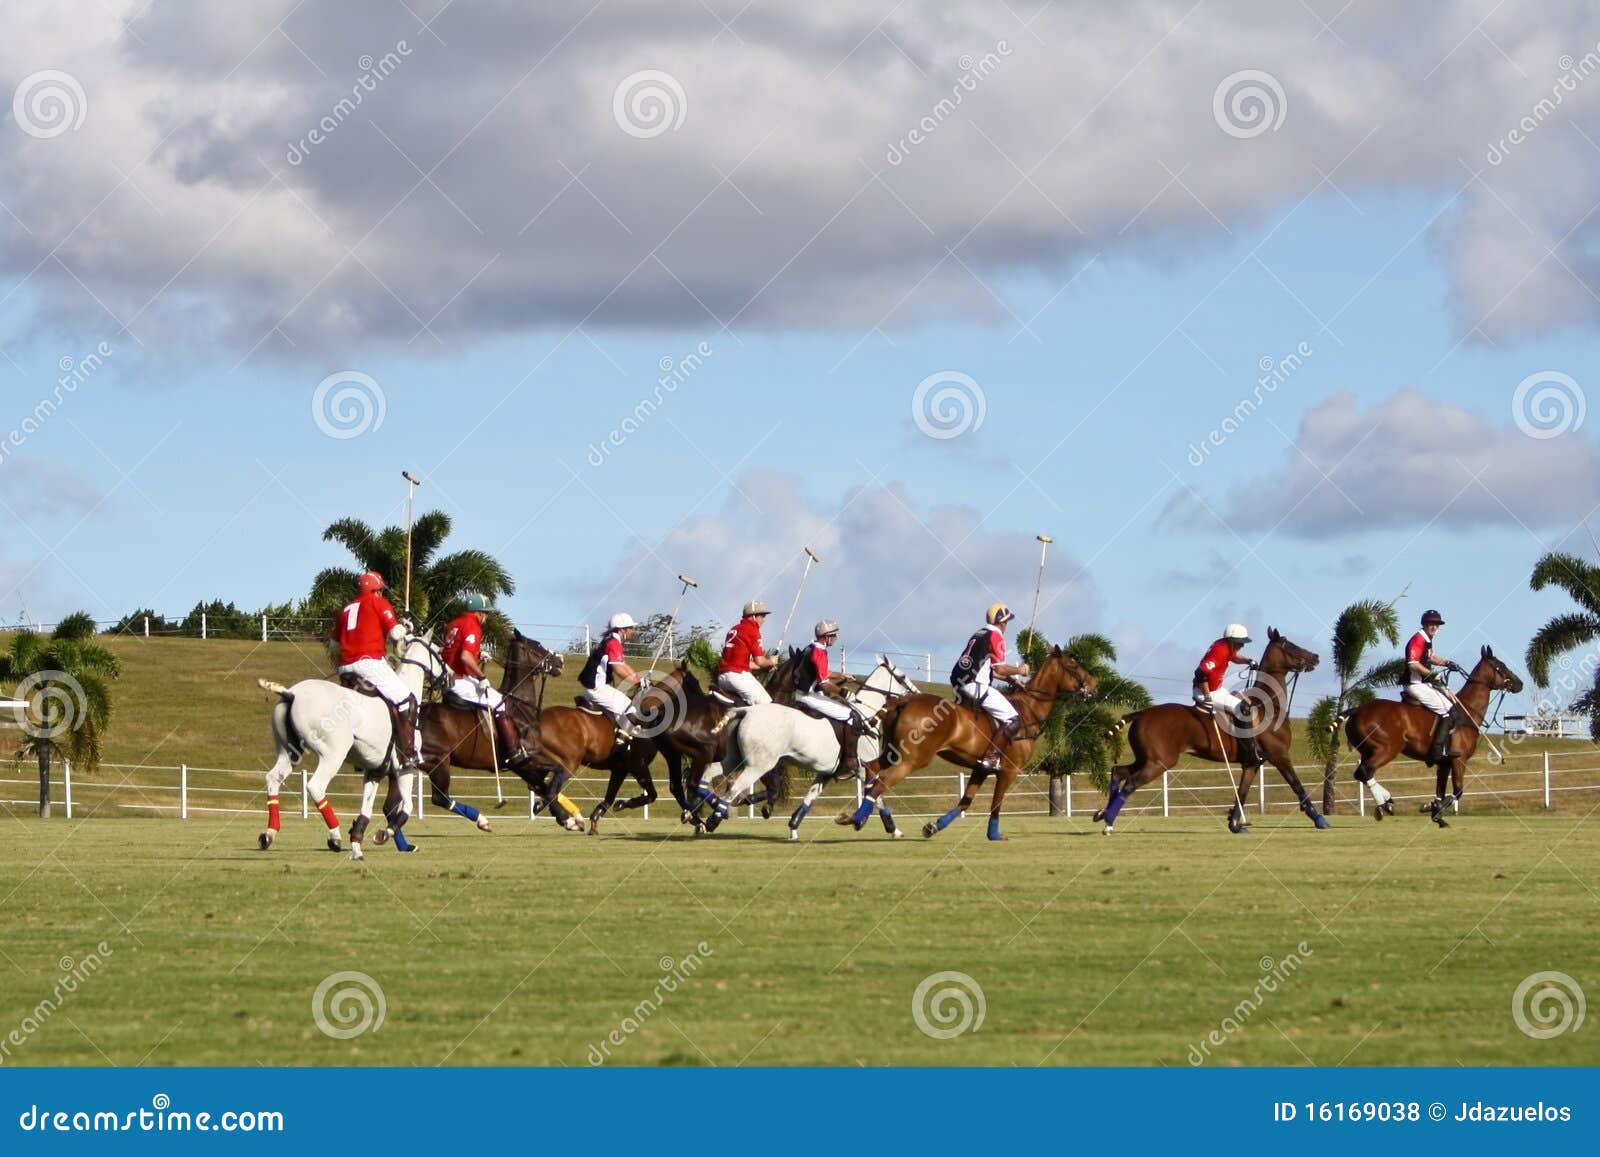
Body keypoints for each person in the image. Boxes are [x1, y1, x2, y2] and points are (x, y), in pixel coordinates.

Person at [332, 570, 421, 769]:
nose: (381, 593)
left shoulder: (346, 609)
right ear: (376, 590)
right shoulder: (377, 602)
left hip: (345, 667)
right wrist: (406, 627)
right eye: (381, 590)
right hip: (370, 664)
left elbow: (334, 645)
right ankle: (408, 754)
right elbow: (396, 634)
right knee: (407, 700)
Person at [441, 592, 531, 768]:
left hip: (447, 676)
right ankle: (514, 752)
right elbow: (465, 656)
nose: (487, 617)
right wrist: (481, 676)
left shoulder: (454, 623)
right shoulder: (472, 625)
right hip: (459, 679)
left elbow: (454, 650)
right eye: (486, 613)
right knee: (499, 701)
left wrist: (479, 653)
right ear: (479, 612)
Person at [950, 603, 1030, 774]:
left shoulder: (979, 634)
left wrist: (1012, 681)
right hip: (975, 686)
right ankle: (990, 758)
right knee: (1014, 719)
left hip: (959, 684)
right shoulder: (996, 636)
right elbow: (1000, 669)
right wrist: (1020, 670)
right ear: (1001, 622)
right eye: (1006, 622)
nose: (1006, 626)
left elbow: (988, 669)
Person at [793, 619, 867, 777]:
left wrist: (842, 676)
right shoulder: (819, 652)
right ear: (826, 637)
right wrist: (844, 692)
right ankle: (850, 759)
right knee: (851, 715)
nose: (836, 638)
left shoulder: (811, 647)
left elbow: (823, 672)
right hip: (808, 696)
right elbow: (825, 683)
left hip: (804, 692)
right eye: (834, 636)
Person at [1193, 623, 1261, 768]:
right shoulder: (1220, 651)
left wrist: (1247, 661)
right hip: (1207, 692)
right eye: (1240, 642)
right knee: (1243, 709)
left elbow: (1234, 657)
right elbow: (1200, 673)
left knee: (1242, 703)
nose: (1242, 645)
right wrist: (1207, 697)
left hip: (1216, 689)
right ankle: (1249, 754)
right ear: (1231, 640)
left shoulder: (1226, 646)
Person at [1403, 609, 1462, 765]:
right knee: (1448, 710)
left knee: (1451, 701)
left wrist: (1447, 663)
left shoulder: (1427, 639)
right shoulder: (1418, 639)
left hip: (1424, 683)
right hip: (1415, 684)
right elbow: (1412, 664)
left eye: (1437, 624)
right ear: (1424, 624)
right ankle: (1437, 752)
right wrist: (1431, 674)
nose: (1434, 627)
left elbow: (1430, 657)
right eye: (1431, 624)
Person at [578, 612, 644, 739]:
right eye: (630, 628)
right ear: (622, 630)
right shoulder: (613, 643)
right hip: (598, 688)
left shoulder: (611, 641)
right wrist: (637, 682)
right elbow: (618, 669)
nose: (632, 631)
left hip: (592, 687)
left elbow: (623, 664)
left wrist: (640, 679)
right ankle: (622, 741)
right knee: (631, 708)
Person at [716, 600, 778, 704]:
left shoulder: (733, 629)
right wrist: (771, 661)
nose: (764, 620)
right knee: (766, 704)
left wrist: (764, 666)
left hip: (722, 678)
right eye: (762, 616)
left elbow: (743, 662)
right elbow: (760, 661)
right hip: (737, 676)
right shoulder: (752, 630)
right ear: (753, 616)